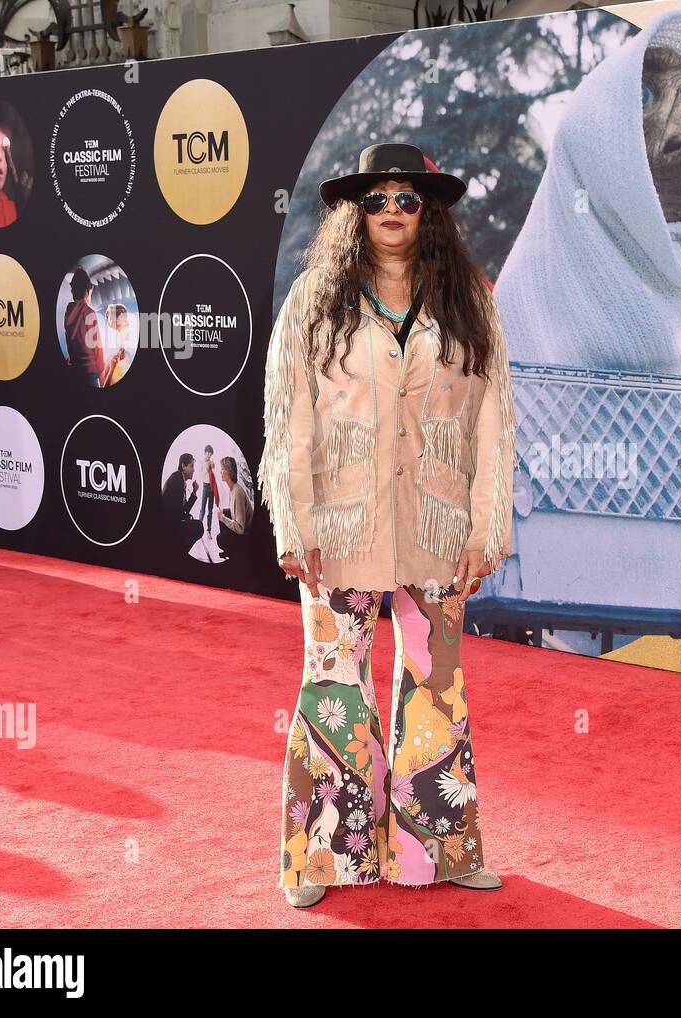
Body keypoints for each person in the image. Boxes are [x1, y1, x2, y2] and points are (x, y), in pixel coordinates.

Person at [258, 142, 518, 908]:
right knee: (333, 685)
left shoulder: (471, 302)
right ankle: (323, 856)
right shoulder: (316, 299)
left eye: (408, 199)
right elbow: (291, 421)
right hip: (340, 532)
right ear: (354, 212)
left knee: (436, 687)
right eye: (377, 200)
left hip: (437, 527)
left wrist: (484, 525)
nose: (393, 213)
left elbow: (493, 423)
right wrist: (293, 523)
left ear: (429, 211)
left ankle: (441, 850)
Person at [63, 268, 105, 386]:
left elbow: (69, 343)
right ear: (88, 290)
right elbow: (97, 347)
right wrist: (102, 373)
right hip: (90, 374)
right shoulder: (89, 312)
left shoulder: (67, 312)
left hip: (75, 371)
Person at [161, 453, 203, 554]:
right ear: (183, 466)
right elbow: (182, 511)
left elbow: (182, 509)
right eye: (191, 466)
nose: (194, 470)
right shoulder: (177, 480)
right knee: (198, 527)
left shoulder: (178, 478)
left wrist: (194, 492)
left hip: (173, 522)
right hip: (171, 525)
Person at [216, 455, 251, 561]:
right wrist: (225, 513)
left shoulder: (237, 493)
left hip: (245, 535)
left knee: (220, 538)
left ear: (228, 472)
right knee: (223, 513)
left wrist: (223, 518)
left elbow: (240, 529)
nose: (220, 472)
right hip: (241, 529)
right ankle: (229, 550)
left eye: (222, 469)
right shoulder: (232, 489)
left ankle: (234, 551)